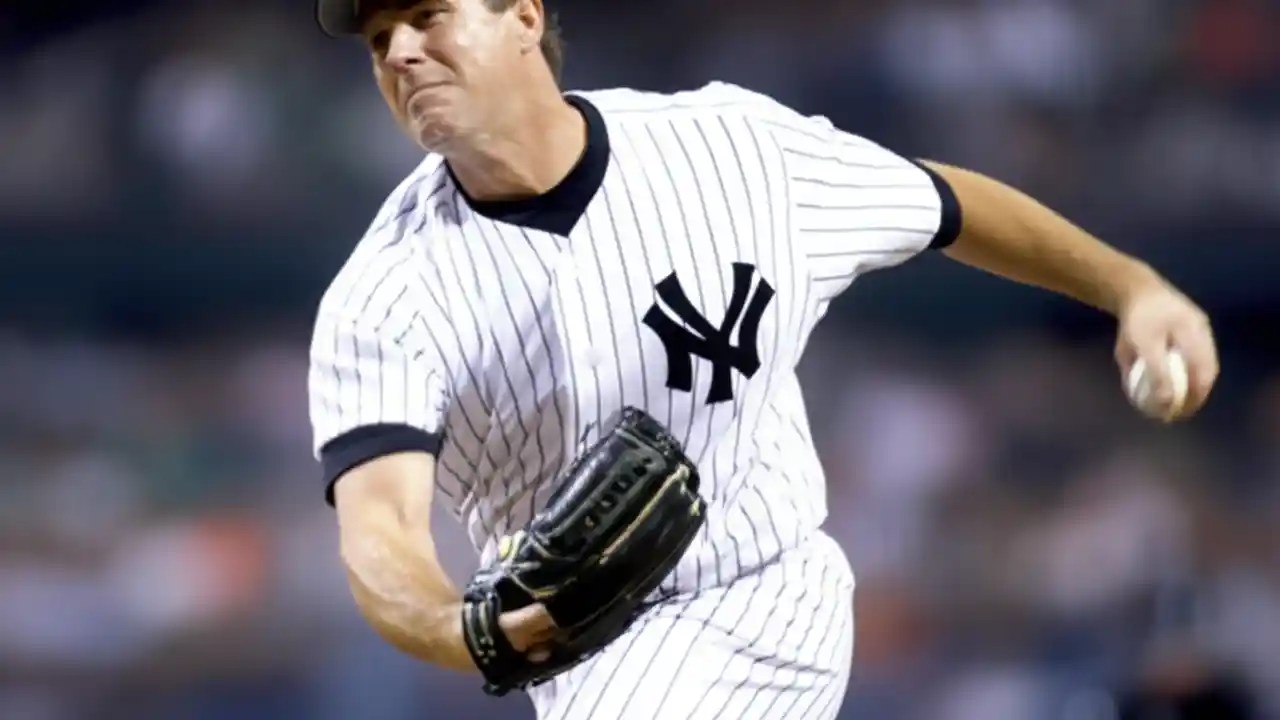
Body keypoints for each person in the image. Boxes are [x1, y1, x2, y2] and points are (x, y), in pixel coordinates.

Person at [306, 1, 1221, 718]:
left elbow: (945, 204)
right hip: (587, 654)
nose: (399, 52)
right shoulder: (384, 294)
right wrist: (458, 629)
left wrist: (1128, 284)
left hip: (767, 585)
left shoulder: (729, 150)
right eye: (379, 37)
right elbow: (380, 530)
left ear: (525, 18)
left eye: (427, 16)